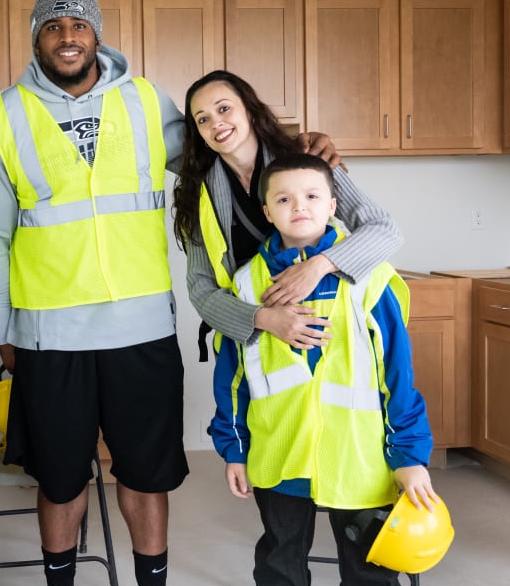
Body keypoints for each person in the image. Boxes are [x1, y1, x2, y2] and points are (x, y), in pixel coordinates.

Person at [0, 0, 189, 586]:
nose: (67, 37)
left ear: (97, 34)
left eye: (78, 26)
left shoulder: (146, 101)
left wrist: (294, 151)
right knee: (60, 477)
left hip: (141, 327)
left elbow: (221, 157)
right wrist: (6, 330)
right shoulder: (2, 116)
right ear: (36, 38)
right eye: (53, 27)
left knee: (146, 474)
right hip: (48, 332)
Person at [208, 152, 436, 586]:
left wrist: (409, 457)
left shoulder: (369, 278)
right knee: (279, 565)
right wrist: (234, 450)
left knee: (370, 571)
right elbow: (232, 379)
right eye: (285, 198)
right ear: (267, 211)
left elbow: (398, 376)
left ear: (333, 205)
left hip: (359, 459)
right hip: (280, 454)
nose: (300, 206)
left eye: (312, 195)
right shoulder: (248, 284)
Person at [172, 69, 401, 365]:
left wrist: (317, 267)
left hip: (324, 322)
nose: (217, 123)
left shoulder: (306, 159)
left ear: (250, 111)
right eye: (203, 119)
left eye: (224, 108)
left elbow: (384, 229)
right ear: (199, 134)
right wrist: (265, 319)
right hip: (254, 335)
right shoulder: (198, 193)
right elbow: (201, 288)